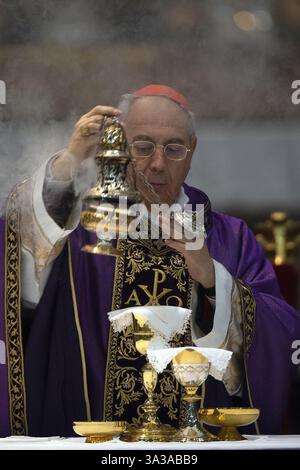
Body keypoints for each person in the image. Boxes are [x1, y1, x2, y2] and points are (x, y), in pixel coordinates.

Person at [0, 84, 299, 438]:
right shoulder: (78, 229)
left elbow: (281, 333)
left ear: (192, 153)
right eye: (142, 147)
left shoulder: (227, 237)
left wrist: (211, 278)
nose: (157, 163)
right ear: (117, 151)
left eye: (174, 149)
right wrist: (69, 161)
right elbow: (20, 264)